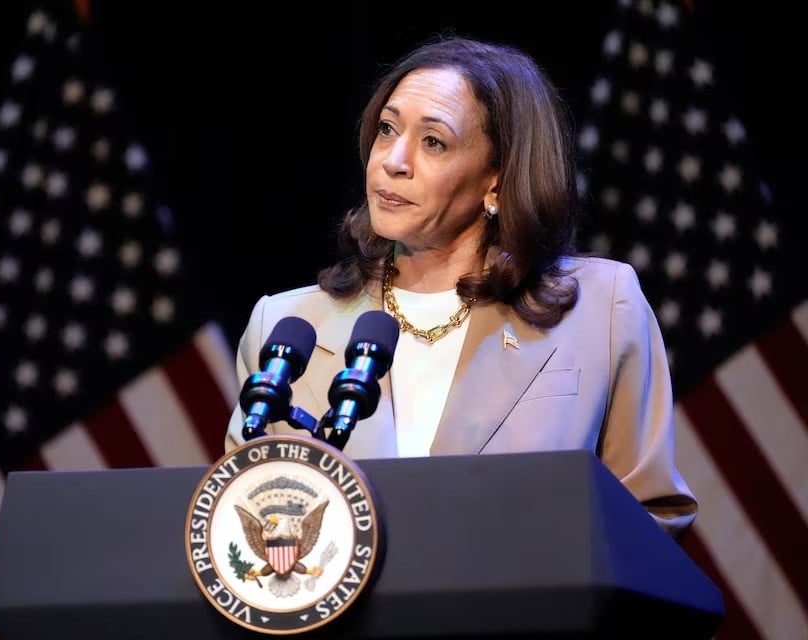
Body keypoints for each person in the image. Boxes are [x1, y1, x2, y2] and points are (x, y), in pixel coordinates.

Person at [224, 35, 697, 537]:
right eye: (387, 130)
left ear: (497, 179)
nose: (393, 160)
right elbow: (243, 519)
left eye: (433, 142)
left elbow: (654, 519)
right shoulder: (283, 328)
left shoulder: (600, 308)